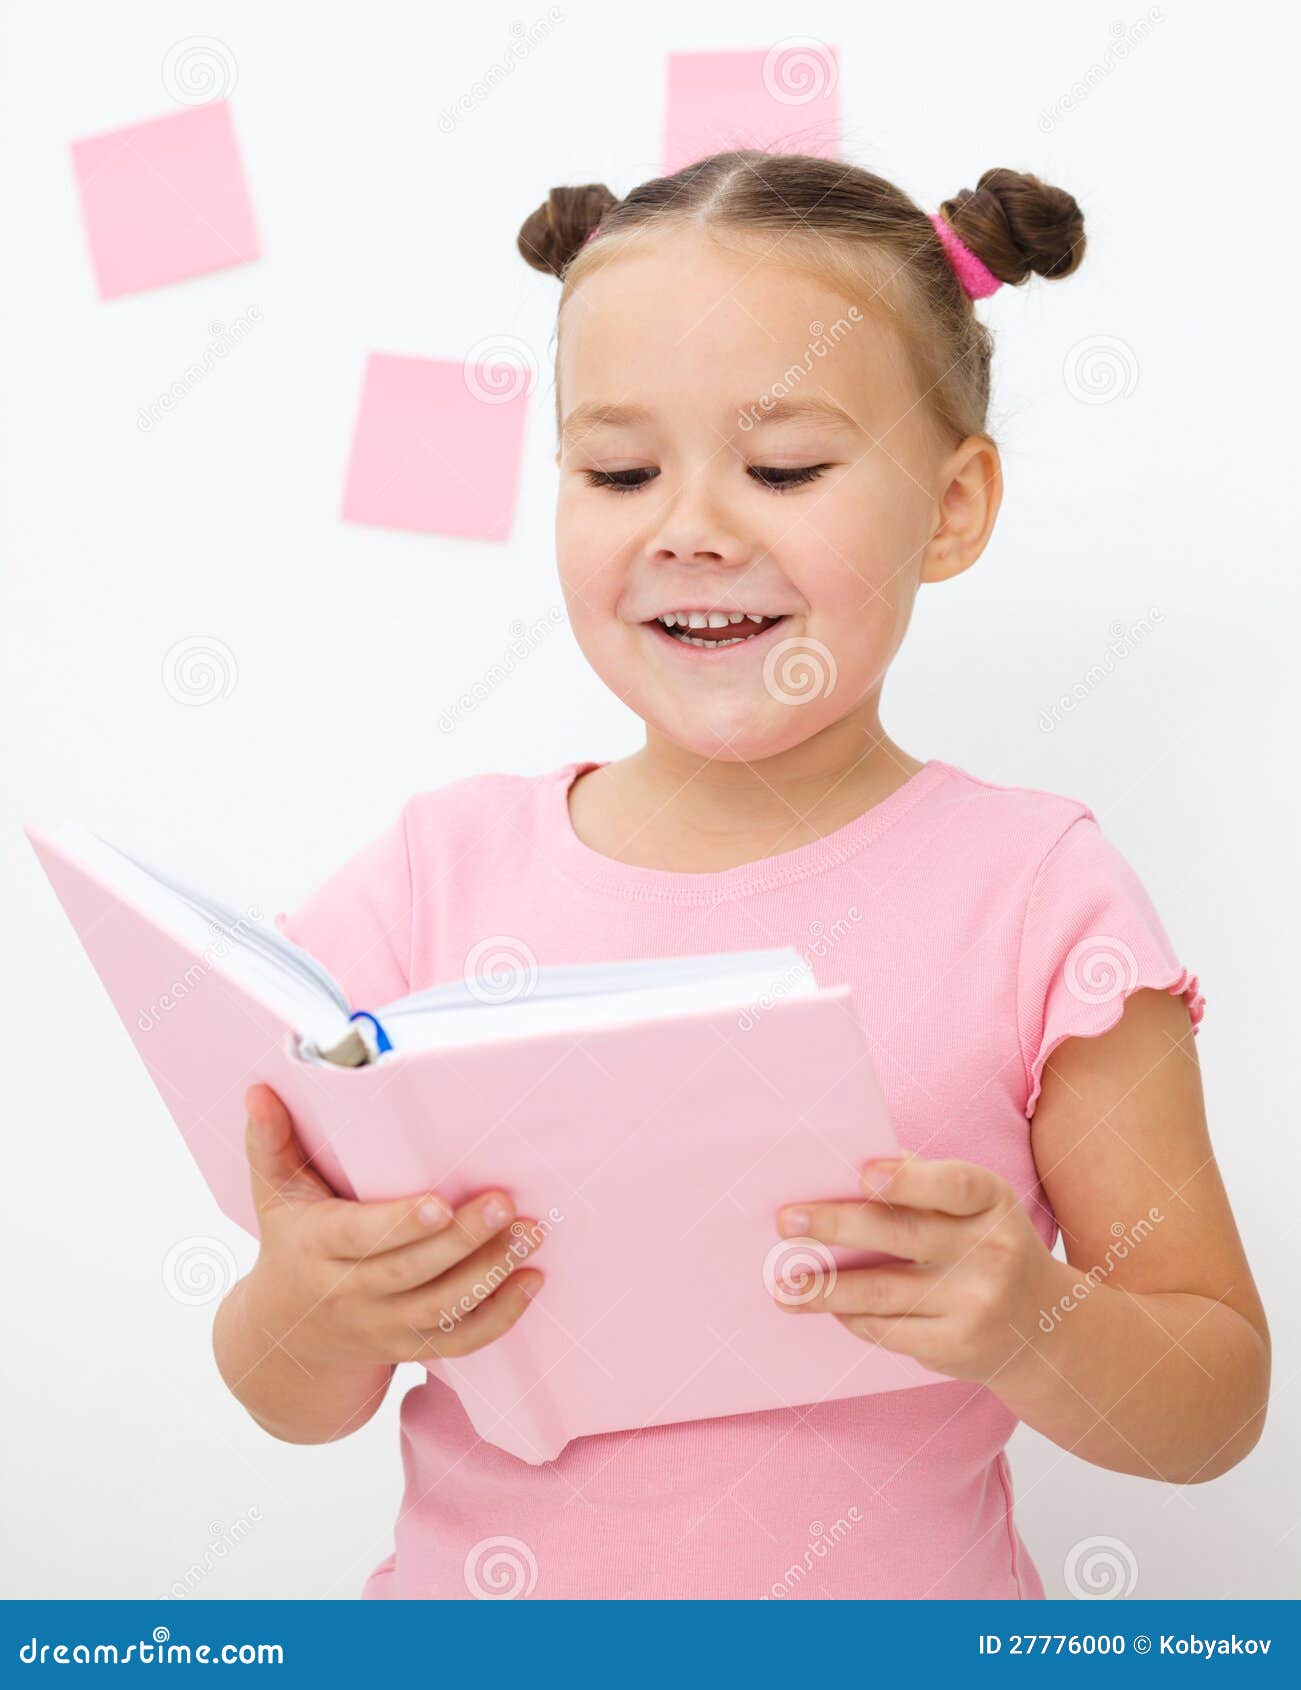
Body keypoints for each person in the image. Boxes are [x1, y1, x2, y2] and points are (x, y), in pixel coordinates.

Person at [213, 151, 1269, 1600]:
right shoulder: (428, 880)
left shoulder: (1036, 897)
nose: (690, 525)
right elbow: (289, 1394)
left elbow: (1210, 1405)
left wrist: (1031, 1320)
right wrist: (313, 1307)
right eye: (618, 470)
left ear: (952, 506)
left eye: (781, 468)